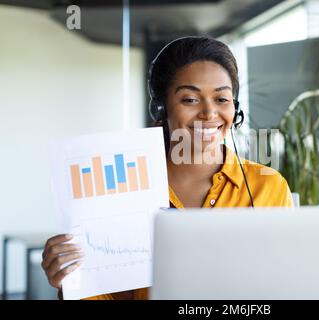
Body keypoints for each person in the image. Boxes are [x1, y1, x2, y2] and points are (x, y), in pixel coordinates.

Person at [41, 36, 293, 300]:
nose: (209, 113)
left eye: (221, 99)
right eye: (190, 99)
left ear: (235, 107)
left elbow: (285, 285)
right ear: (160, 108)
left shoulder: (268, 187)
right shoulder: (118, 185)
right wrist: (70, 282)